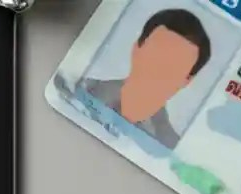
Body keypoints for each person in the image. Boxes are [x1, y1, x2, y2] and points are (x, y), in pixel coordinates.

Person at [82, 8, 212, 149]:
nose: (159, 70)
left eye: (176, 65)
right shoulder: (75, 86)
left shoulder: (169, 151)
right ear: (136, 49)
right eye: (156, 54)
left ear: (186, 81)